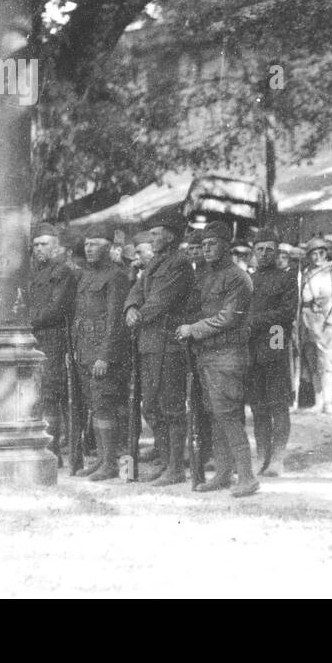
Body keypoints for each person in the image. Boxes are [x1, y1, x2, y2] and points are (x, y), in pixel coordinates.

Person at [176, 220, 257, 497]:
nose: (206, 249)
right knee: (215, 415)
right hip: (207, 354)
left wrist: (193, 329)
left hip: (228, 355)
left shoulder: (238, 278)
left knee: (229, 415)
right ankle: (223, 474)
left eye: (212, 244)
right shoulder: (206, 276)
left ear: (227, 246)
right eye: (204, 245)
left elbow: (227, 318)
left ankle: (246, 476)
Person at [124, 207, 196, 485]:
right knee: (151, 406)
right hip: (150, 343)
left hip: (168, 344)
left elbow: (161, 300)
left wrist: (138, 315)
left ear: (170, 236)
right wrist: (130, 307)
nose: (152, 239)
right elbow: (138, 290)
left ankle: (176, 467)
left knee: (171, 406)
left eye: (156, 234)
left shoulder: (179, 264)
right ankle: (167, 461)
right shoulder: (155, 263)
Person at [72, 224, 131, 482]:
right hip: (85, 350)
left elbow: (115, 320)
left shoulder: (116, 276)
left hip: (102, 354)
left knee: (105, 405)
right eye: (87, 244)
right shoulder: (85, 276)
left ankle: (110, 463)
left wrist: (104, 355)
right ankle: (101, 459)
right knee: (95, 406)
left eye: (94, 244)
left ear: (108, 247)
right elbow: (79, 315)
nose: (89, 249)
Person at [244, 229, 297, 476]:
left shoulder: (286, 279)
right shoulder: (246, 280)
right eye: (260, 249)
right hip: (251, 349)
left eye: (269, 250)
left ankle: (277, 458)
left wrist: (256, 321)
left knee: (278, 404)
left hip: (274, 346)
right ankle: (261, 455)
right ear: (253, 252)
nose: (264, 254)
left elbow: (286, 314)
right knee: (257, 406)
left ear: (277, 253)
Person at [29, 222, 78, 461]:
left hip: (53, 338)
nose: (39, 248)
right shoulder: (33, 272)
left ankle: (51, 450)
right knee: (35, 393)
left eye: (44, 244)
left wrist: (27, 322)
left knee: (50, 393)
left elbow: (56, 309)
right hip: (34, 338)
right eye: (36, 244)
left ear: (56, 246)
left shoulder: (63, 272)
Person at [296, 236, 332, 417]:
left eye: (321, 252)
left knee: (327, 362)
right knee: (312, 362)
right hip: (307, 321)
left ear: (327, 253)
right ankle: (317, 401)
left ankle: (328, 402)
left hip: (326, 322)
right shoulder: (304, 273)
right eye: (313, 253)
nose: (317, 256)